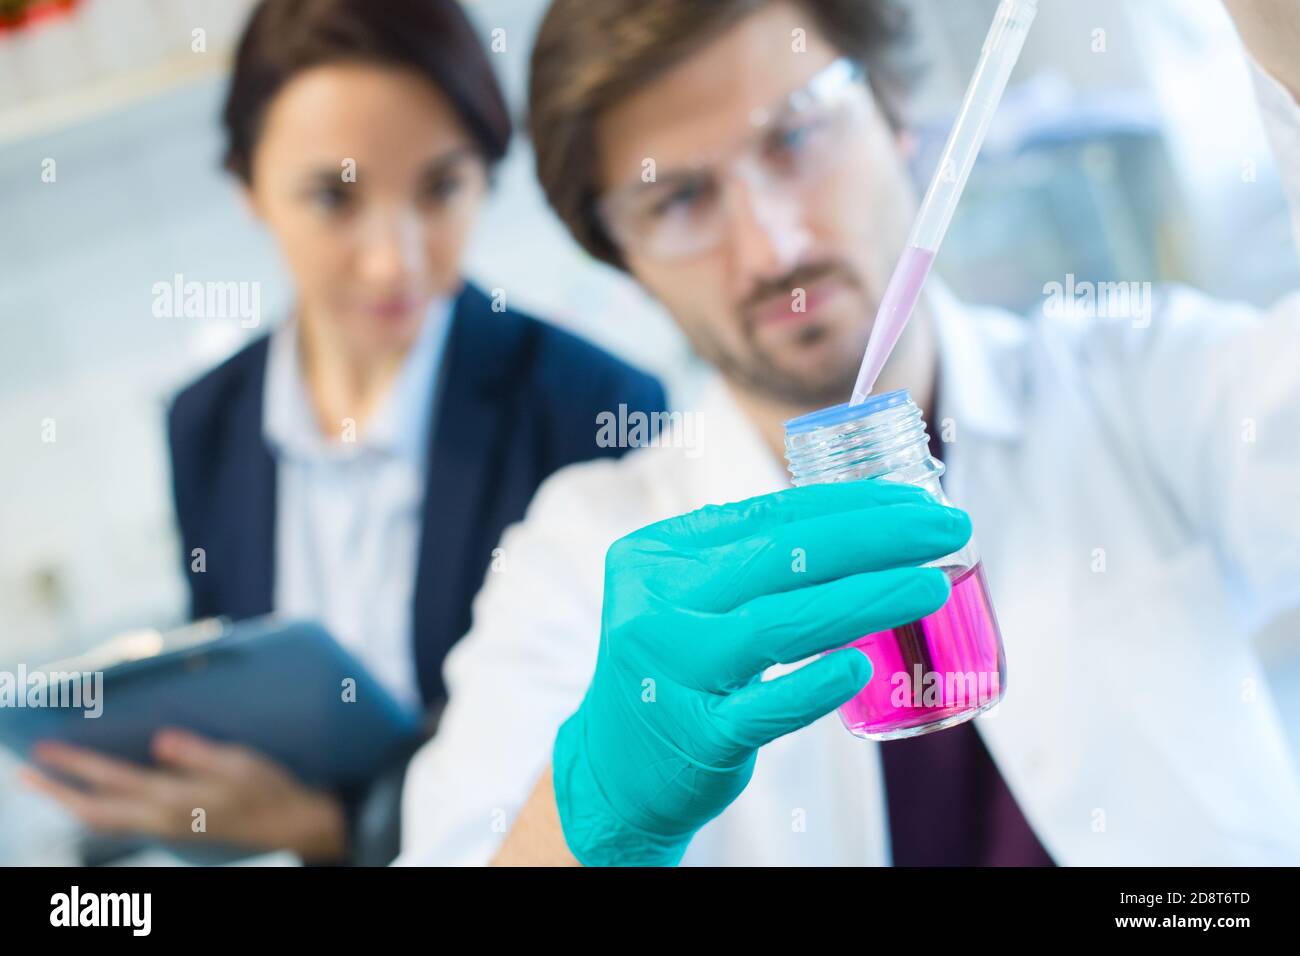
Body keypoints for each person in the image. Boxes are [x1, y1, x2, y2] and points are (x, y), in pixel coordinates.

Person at [399, 0, 1300, 866]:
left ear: (895, 116)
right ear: (622, 261)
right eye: (677, 200)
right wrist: (593, 822)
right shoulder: (580, 560)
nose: (774, 247)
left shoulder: (1135, 386)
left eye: (795, 135)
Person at [19, 0, 663, 864]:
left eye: (441, 187)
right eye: (334, 196)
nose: (393, 260)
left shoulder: (594, 405)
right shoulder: (207, 424)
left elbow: (615, 764)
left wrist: (336, 833)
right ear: (248, 188)